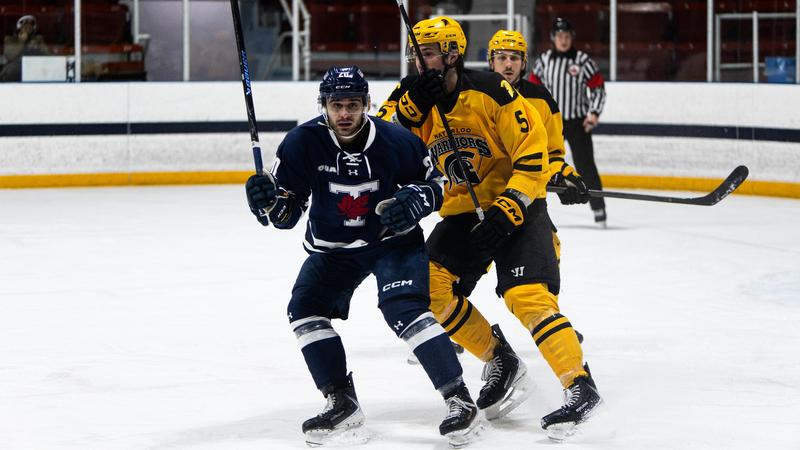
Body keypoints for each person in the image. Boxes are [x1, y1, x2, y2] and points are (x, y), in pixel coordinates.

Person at [378, 17, 602, 440]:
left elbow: (533, 151)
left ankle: (580, 386)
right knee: (428, 289)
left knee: (527, 297)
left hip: (518, 209)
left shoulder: (492, 91)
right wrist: (410, 111)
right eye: (415, 53)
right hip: (463, 212)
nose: (417, 61)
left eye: (426, 53)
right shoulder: (407, 97)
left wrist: (512, 204)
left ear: (451, 55)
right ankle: (500, 359)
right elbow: (380, 144)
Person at [244, 66, 483, 448]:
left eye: (352, 105)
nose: (344, 113)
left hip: (392, 242)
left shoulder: (395, 140)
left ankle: (459, 399)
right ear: (323, 105)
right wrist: (268, 202)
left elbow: (435, 184)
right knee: (304, 310)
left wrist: (413, 201)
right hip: (333, 249)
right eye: (336, 105)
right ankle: (341, 400)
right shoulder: (301, 142)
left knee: (404, 310)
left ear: (367, 105)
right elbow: (285, 215)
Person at [529, 17, 608, 227]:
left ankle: (598, 208)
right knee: (541, 165)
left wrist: (594, 113)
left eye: (566, 36)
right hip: (551, 123)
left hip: (577, 122)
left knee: (586, 166)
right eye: (559, 36)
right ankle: (534, 209)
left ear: (571, 38)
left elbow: (598, 88)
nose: (563, 40)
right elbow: (531, 90)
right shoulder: (544, 61)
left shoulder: (582, 61)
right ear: (553, 38)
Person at [0, 15, 49, 82]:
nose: (28, 28)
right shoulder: (10, 39)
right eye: (25, 26)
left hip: (34, 72)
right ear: (19, 28)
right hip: (14, 73)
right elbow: (10, 56)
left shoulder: (38, 39)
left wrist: (38, 46)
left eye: (30, 26)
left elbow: (47, 56)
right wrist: (21, 42)